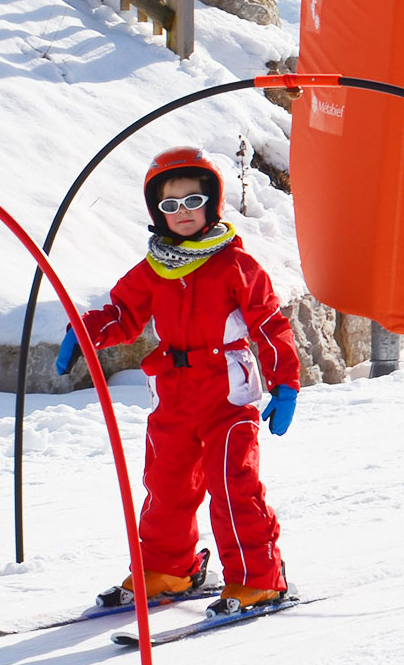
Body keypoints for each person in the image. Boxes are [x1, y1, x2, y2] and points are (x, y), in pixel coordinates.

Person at [56, 146, 301, 617]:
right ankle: (169, 567)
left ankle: (258, 578)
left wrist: (284, 382)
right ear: (156, 212)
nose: (182, 213)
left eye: (192, 200)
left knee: (232, 484)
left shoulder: (236, 266)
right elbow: (123, 313)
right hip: (172, 391)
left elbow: (270, 325)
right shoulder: (156, 267)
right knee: (166, 483)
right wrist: (85, 330)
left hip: (226, 392)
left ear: (212, 201)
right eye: (170, 205)